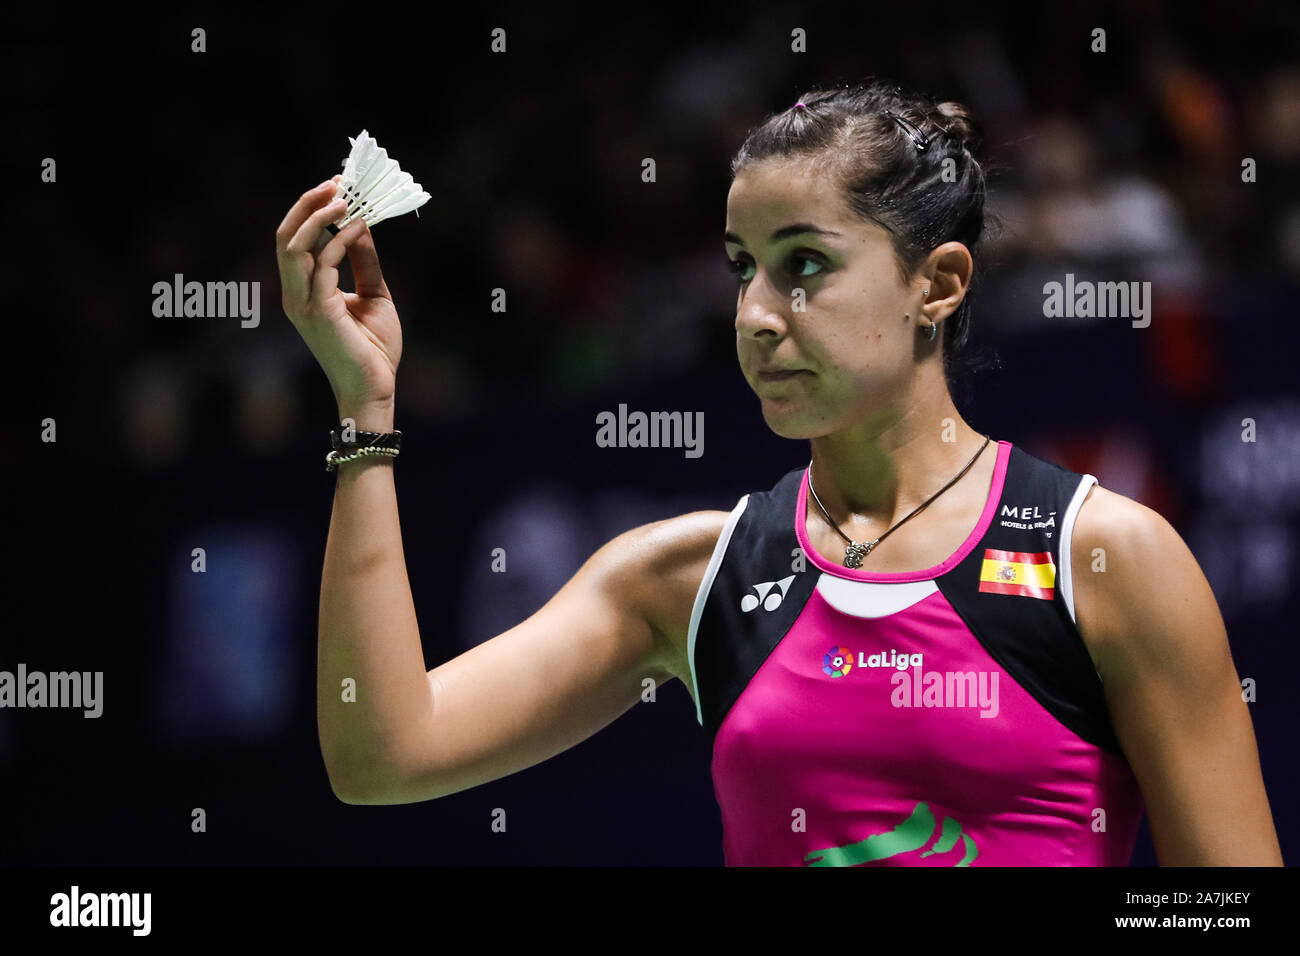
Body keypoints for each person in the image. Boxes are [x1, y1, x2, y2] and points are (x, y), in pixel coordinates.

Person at [274, 80, 1283, 866]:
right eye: (740, 264)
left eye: (803, 263)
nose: (755, 312)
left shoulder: (1100, 558)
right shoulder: (686, 577)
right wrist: (366, 412)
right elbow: (382, 755)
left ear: (935, 282)